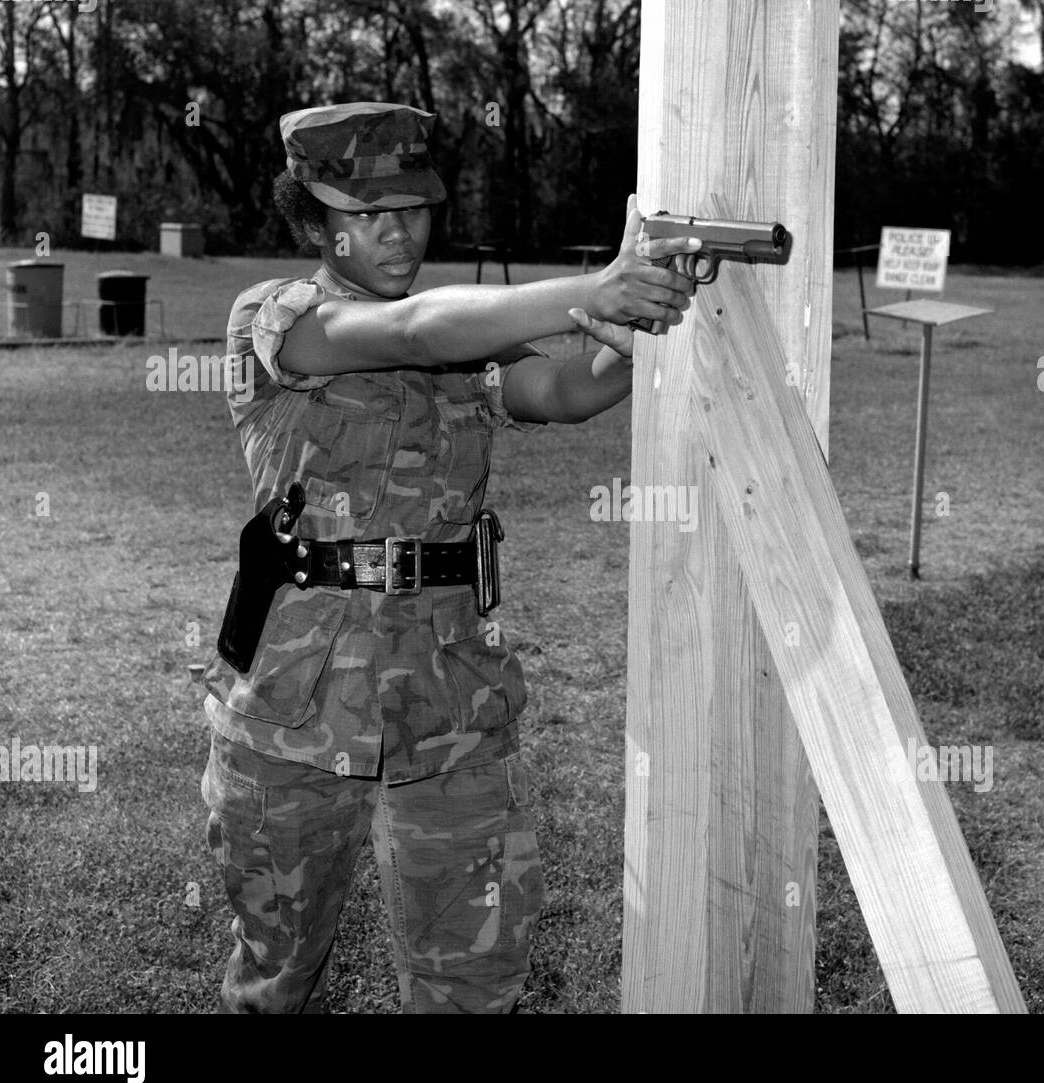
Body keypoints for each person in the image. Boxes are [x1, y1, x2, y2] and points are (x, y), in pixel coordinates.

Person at [198, 101, 699, 1013]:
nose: (395, 232)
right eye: (364, 213)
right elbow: (410, 332)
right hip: (295, 708)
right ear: (314, 221)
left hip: (451, 700)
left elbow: (558, 389)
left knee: (472, 978)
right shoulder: (277, 320)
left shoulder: (466, 335)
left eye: (412, 208)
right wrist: (592, 287)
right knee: (277, 980)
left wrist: (632, 336)